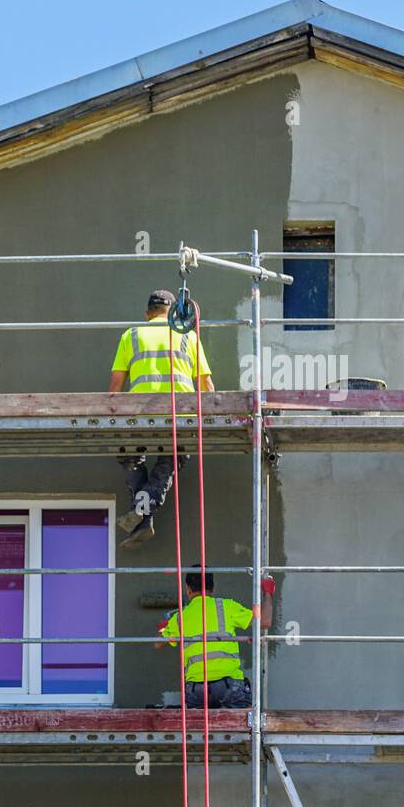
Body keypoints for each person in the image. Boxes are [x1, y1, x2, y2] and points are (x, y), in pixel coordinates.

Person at [108, 289, 214, 549]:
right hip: (180, 417)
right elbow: (206, 385)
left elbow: (115, 387)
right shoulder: (187, 336)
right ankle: (144, 508)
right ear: (172, 313)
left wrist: (111, 420)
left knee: (131, 457)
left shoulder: (130, 336)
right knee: (171, 458)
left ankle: (142, 517)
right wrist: (216, 414)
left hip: (140, 416)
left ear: (147, 314)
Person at [158, 566, 274, 709]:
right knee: (246, 721)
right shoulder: (226, 606)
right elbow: (265, 621)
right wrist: (267, 593)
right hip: (228, 687)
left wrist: (165, 626)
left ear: (188, 589)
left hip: (196, 691)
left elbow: (158, 644)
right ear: (213, 588)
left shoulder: (179, 617)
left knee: (198, 727)